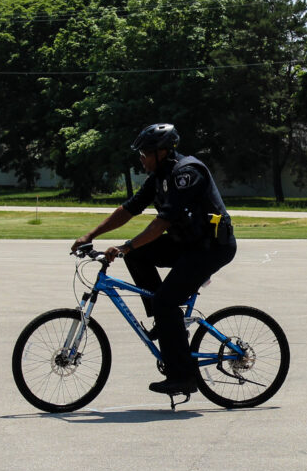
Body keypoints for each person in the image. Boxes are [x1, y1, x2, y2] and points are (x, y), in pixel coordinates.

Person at [71, 123, 236, 397]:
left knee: (165, 301)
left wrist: (124, 246)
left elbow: (161, 224)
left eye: (145, 153)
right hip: (186, 243)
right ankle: (165, 321)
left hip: (210, 247)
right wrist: (90, 234)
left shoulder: (187, 174)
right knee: (142, 265)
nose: (141, 158)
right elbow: (129, 209)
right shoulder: (160, 174)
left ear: (163, 152)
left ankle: (183, 377)